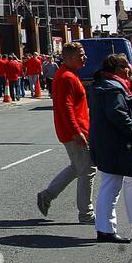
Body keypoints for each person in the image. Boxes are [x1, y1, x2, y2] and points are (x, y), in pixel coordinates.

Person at [88, 53, 132, 242]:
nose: (130, 69)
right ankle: (105, 230)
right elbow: (118, 115)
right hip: (115, 144)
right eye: (126, 66)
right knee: (111, 185)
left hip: (114, 143)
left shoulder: (111, 85)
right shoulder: (113, 88)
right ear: (118, 70)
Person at [36, 43, 95, 225]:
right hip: (74, 132)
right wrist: (77, 131)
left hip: (74, 130)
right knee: (87, 170)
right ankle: (86, 213)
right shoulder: (67, 77)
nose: (84, 58)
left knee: (77, 167)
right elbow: (66, 107)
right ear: (68, 58)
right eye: (81, 55)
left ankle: (47, 195)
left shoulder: (67, 74)